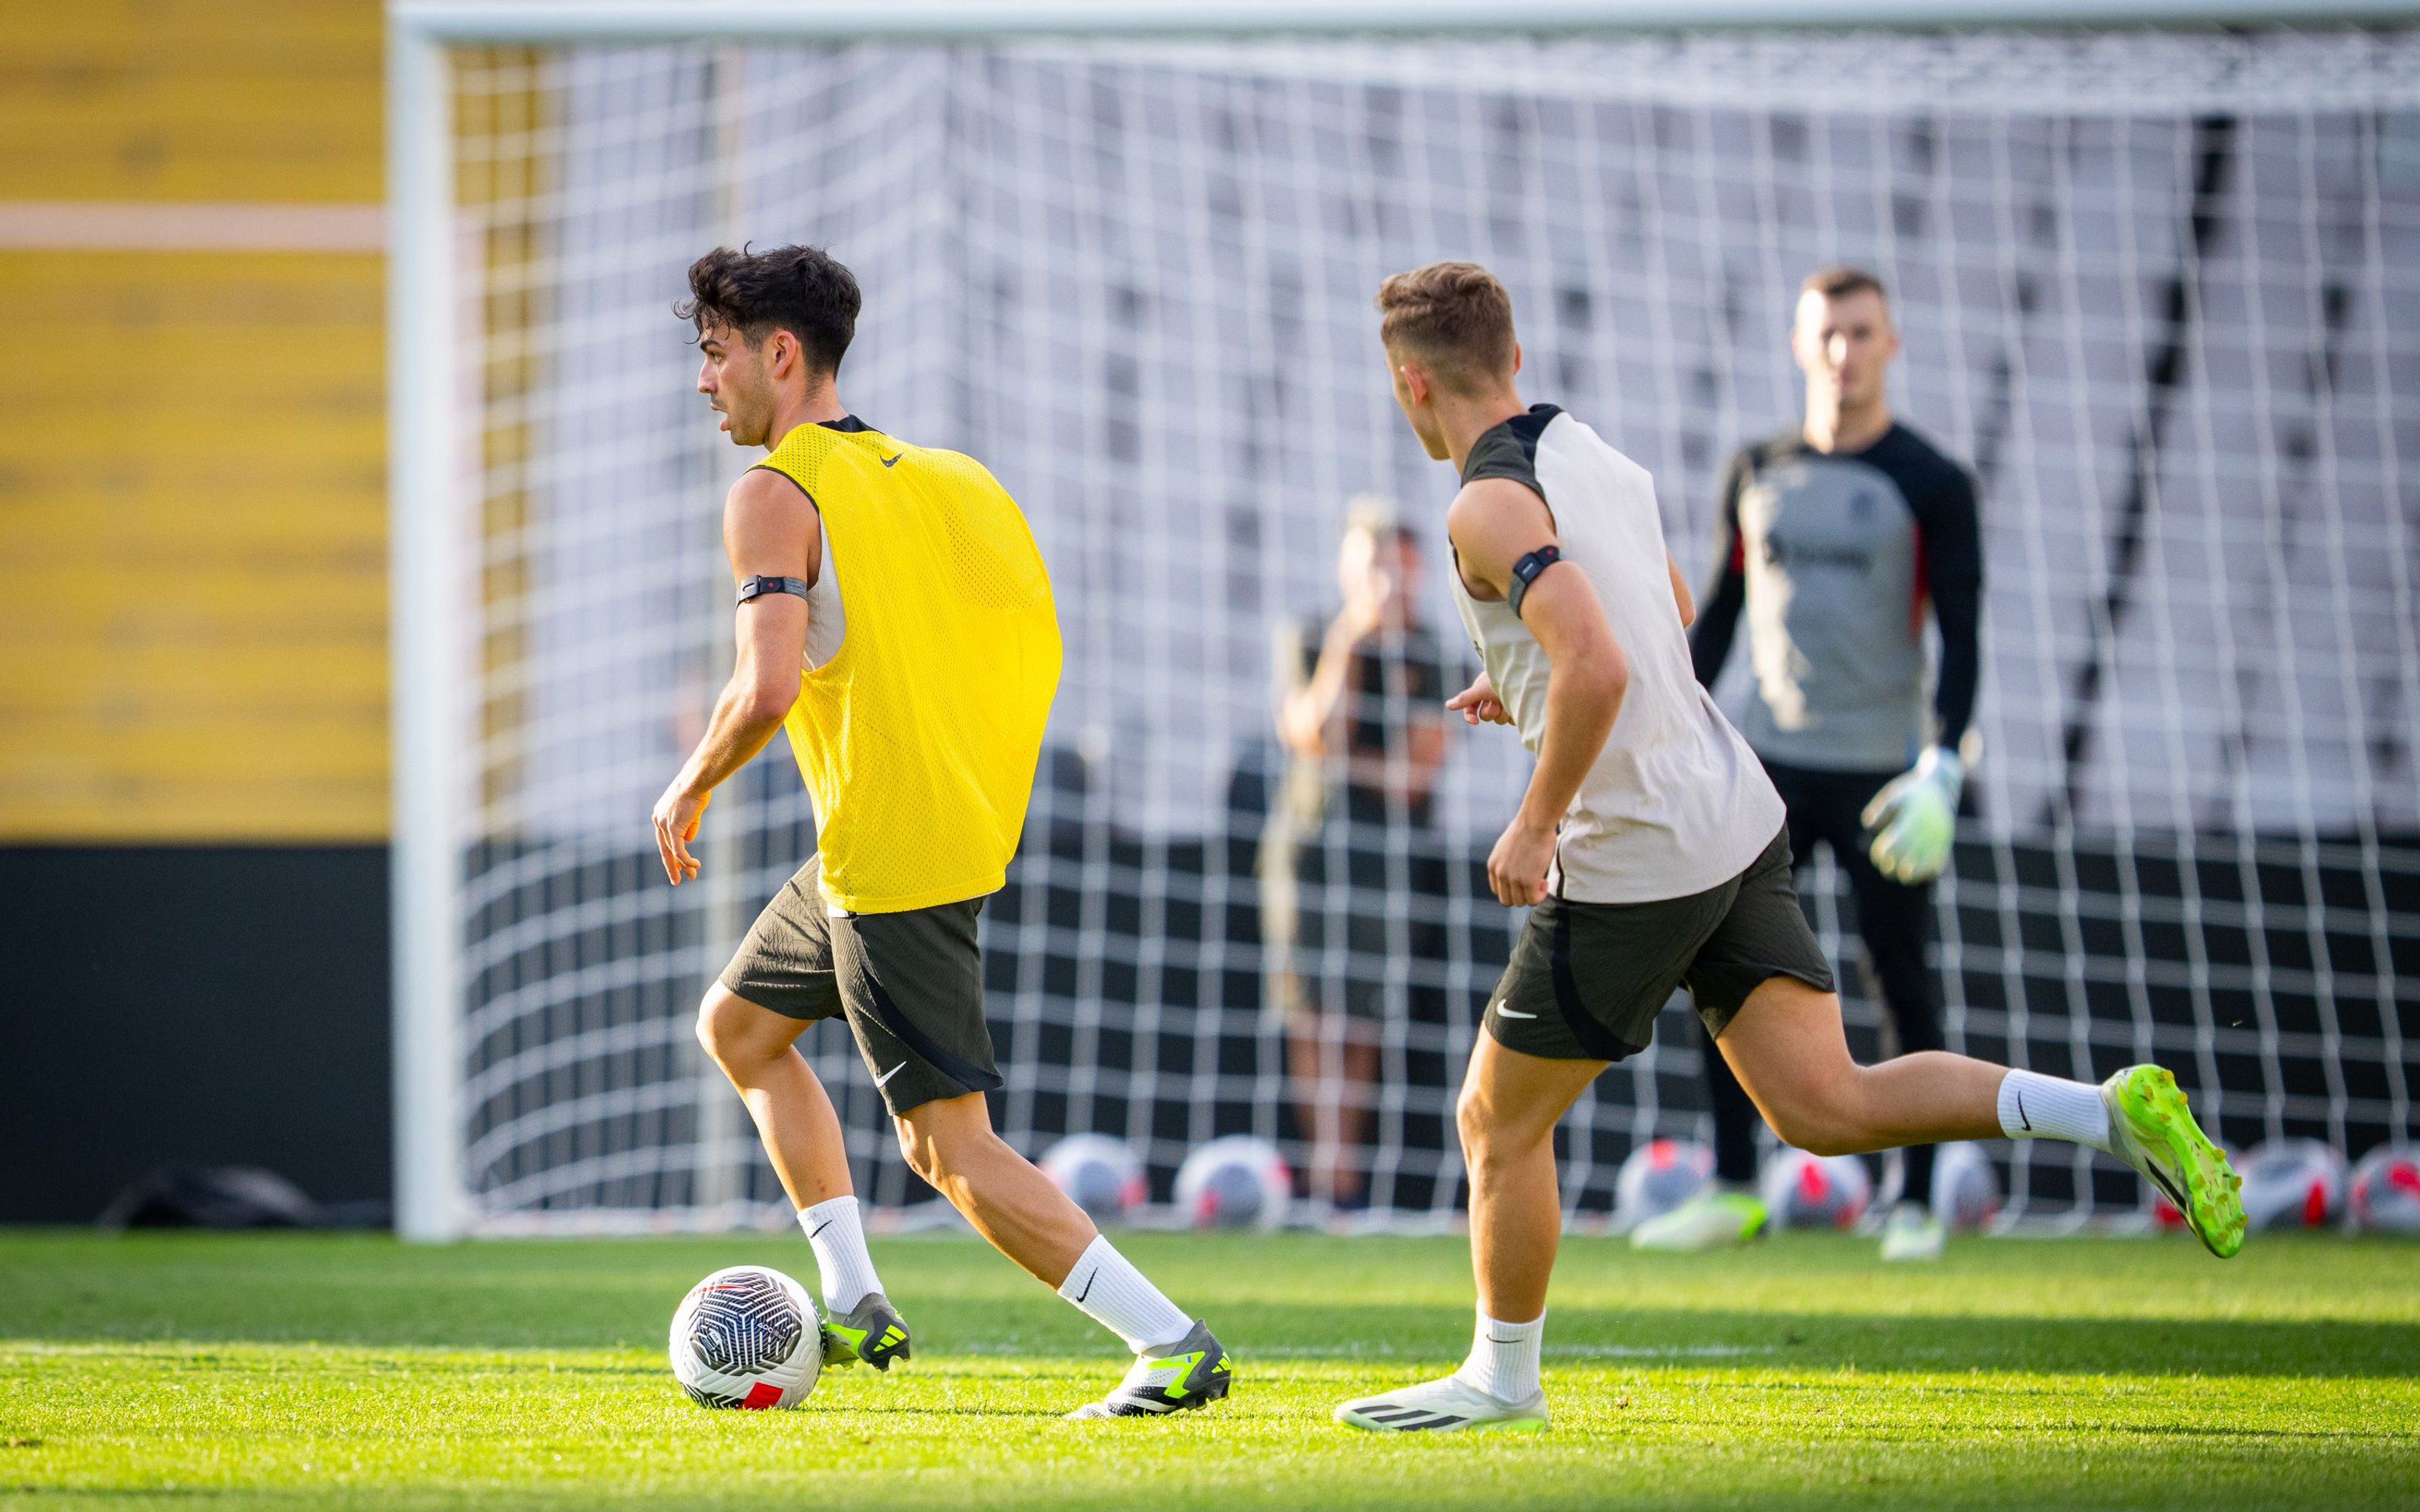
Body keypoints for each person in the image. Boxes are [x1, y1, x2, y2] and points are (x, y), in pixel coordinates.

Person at [1331, 261, 2242, 1436]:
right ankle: (2106, 1112)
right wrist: (1524, 678)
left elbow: (1599, 663)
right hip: (1735, 815)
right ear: (1513, 357)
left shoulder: (1482, 506)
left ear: (1412, 384)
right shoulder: (1590, 452)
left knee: (1494, 1121)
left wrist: (1535, 818)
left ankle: (1503, 1380)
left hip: (1636, 851)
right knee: (1827, 1105)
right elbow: (1659, 607)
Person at [653, 243, 1230, 1420]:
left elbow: (766, 687)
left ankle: (1171, 1344)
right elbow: (1026, 641)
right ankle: (856, 1300)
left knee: (947, 1151)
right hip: (917, 831)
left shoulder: (772, 494)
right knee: (740, 1029)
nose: (704, 381)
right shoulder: (951, 479)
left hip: (888, 860)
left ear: (780, 352)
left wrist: (688, 785)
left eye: (715, 355)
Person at [1635, 266, 1984, 1263]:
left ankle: (1914, 1200)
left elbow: (1963, 639)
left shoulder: (1931, 481)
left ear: (1890, 344)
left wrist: (1942, 768)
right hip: (1768, 769)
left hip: (1884, 776)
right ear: (1799, 345)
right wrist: (1657, 722)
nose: (1843, 351)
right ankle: (1736, 1186)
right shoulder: (1755, 470)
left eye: (1861, 332)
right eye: (1827, 333)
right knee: (1720, 961)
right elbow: (1718, 621)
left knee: (1897, 974)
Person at [1265, 499, 1454, 1211]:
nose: (1384, 582)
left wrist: (1350, 761)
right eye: (1371, 565)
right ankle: (1325, 1178)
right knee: (1310, 1016)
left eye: (1396, 567)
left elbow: (1414, 777)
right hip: (1308, 854)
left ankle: (1346, 1184)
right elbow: (1311, 731)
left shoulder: (1433, 654)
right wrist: (1349, 641)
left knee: (1362, 1019)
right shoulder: (1313, 636)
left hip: (1389, 862)